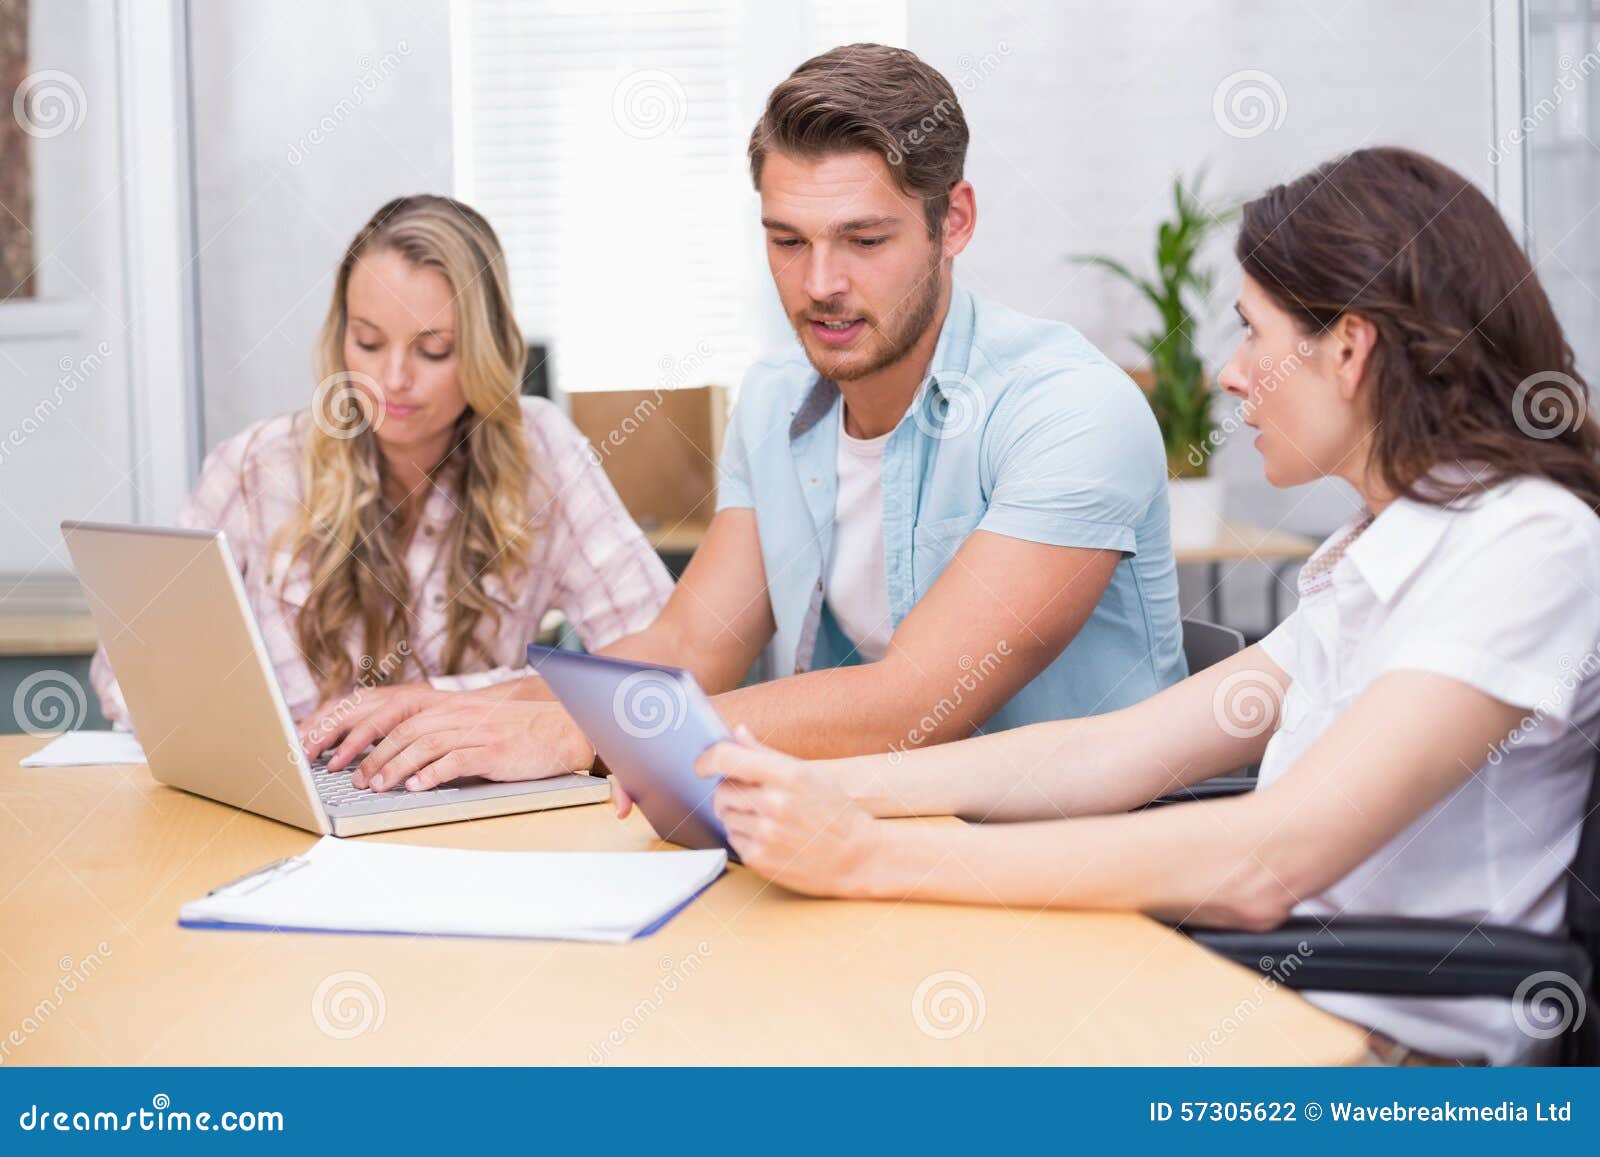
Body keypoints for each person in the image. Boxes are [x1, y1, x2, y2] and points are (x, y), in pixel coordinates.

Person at [695, 146, 1600, 1066]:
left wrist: (866, 856)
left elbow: (1268, 861)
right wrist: (803, 789)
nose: (1229, 375)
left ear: (1351, 348)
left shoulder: (1528, 546)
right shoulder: (1384, 552)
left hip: (1394, 1059)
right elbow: (1112, 750)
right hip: (1264, 1004)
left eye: (1253, 334)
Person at [303, 44, 1185, 793]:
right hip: (868, 847)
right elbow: (693, 642)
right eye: (788, 240)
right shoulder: (776, 399)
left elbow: (914, 700)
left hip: (1082, 880)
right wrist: (467, 712)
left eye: (864, 241)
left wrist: (589, 735)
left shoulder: (1072, 411)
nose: (820, 283)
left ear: (952, 221)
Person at [91, 195, 671, 736]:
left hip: (461, 817)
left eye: (433, 349)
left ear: (485, 348)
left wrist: (446, 705)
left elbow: (660, 657)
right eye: (368, 342)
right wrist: (242, 727)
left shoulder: (541, 450)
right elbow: (126, 669)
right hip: (288, 811)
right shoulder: (257, 467)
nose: (393, 379)